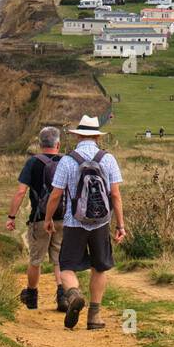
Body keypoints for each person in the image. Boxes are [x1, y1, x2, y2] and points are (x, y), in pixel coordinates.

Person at [42, 114, 126, 330]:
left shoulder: (68, 160)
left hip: (73, 223)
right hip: (100, 223)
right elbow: (115, 195)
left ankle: (75, 294)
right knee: (100, 267)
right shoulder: (108, 159)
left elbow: (55, 195)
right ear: (97, 136)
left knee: (67, 267)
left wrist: (48, 218)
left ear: (78, 135)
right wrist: (120, 225)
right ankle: (94, 317)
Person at [6, 126, 68, 311]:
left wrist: (11, 216)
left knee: (36, 260)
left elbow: (20, 192)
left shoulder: (32, 163)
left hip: (40, 219)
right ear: (58, 144)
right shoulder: (67, 161)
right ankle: (62, 296)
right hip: (63, 218)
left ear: (40, 144)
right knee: (59, 259)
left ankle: (32, 297)